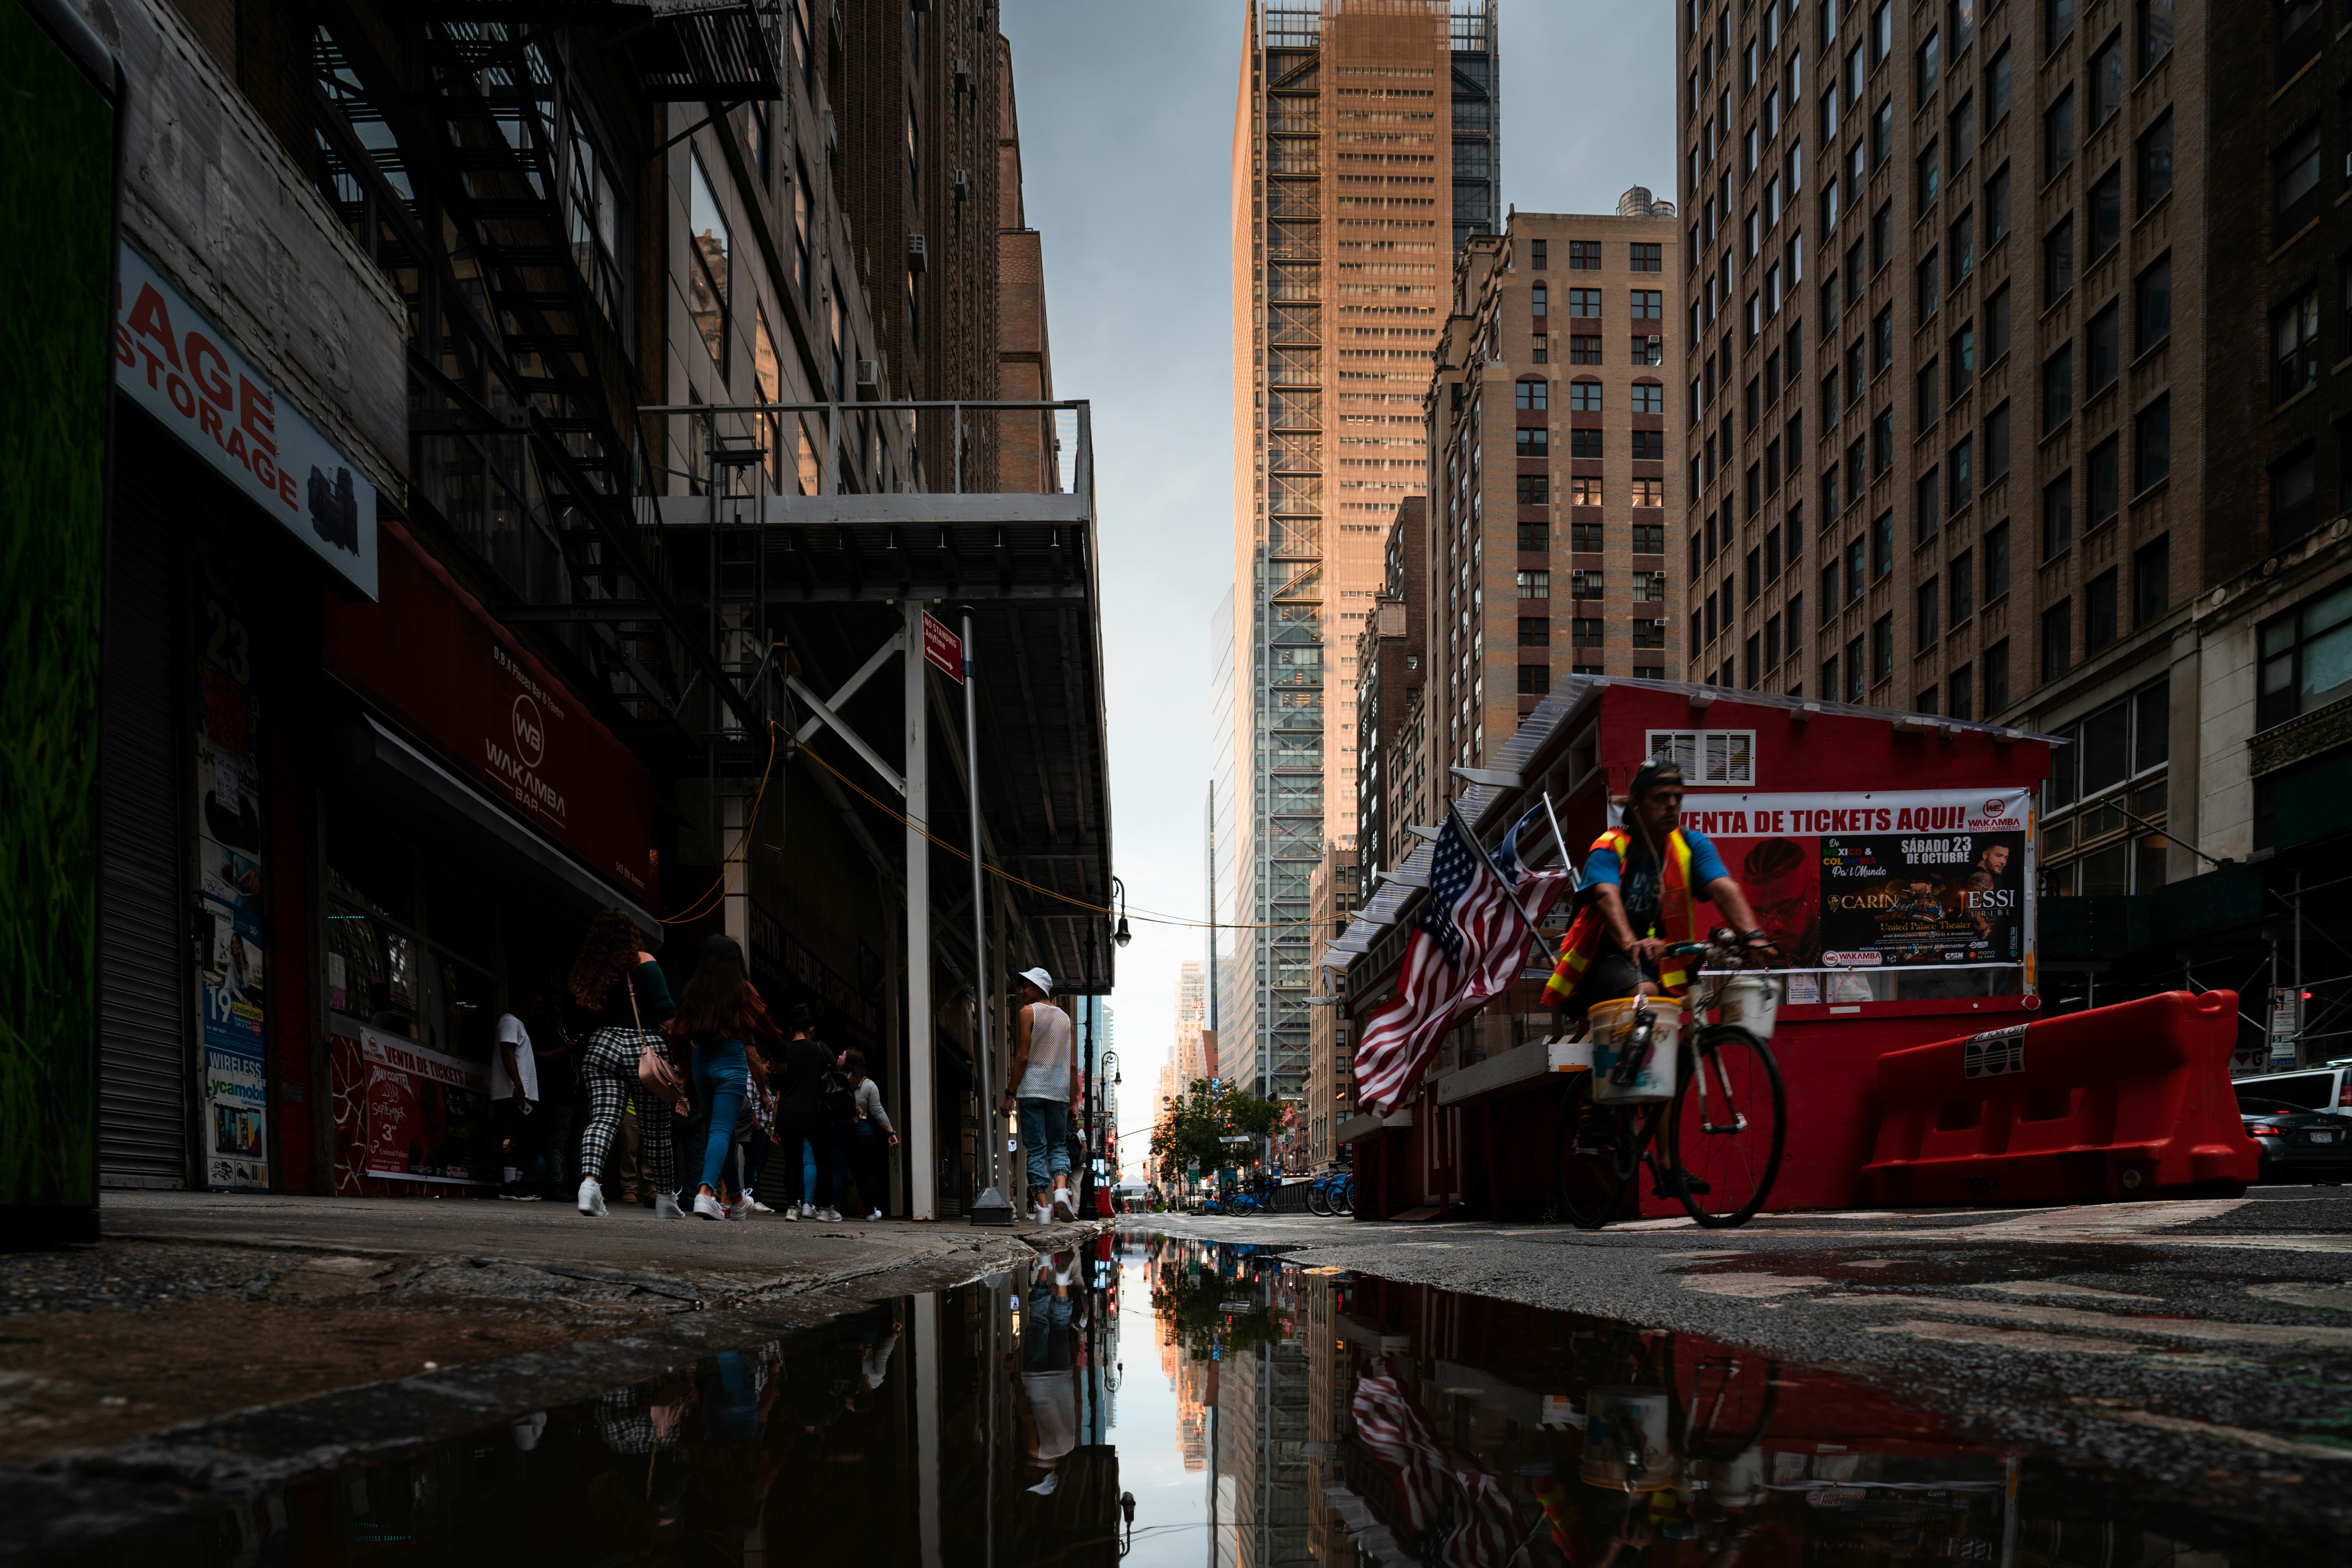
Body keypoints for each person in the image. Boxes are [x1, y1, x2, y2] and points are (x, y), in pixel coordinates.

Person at [1543, 756, 1780, 1020]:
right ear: (1636, 805)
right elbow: (1605, 895)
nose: (1672, 805)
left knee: (1698, 1024)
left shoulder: (1691, 845)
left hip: (1671, 965)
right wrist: (1631, 943)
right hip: (1613, 961)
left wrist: (1754, 936)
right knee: (1647, 994)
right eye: (1661, 798)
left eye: (1677, 798)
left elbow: (1724, 889)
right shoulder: (1610, 847)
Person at [570, 909, 686, 1219]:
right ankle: (664, 1198)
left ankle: (590, 1185)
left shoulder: (592, 969)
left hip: (602, 1046)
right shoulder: (645, 962)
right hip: (642, 1048)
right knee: (657, 1130)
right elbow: (668, 1016)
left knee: (603, 1119)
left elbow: (582, 1017)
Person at [670, 934, 760, 1222]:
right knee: (721, 1130)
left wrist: (679, 1063)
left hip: (700, 1064)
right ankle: (706, 1193)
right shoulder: (742, 990)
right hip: (730, 1062)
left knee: (723, 1130)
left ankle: (736, 1199)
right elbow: (766, 1026)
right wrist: (783, 1056)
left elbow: (678, 1032)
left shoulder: (693, 990)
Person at [1000, 967, 1081, 1223]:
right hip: (1058, 1093)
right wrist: (1073, 1101)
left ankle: (1044, 1210)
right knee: (1057, 1146)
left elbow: (1022, 1056)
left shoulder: (1028, 1012)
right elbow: (1071, 1066)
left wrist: (1009, 1094)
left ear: (1038, 988)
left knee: (1036, 1150)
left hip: (1032, 1090)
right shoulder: (1065, 1019)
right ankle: (1060, 1190)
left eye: (1026, 986)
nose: (1021, 991)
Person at [773, 1003, 838, 1222]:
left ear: (792, 1029)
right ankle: (825, 1209)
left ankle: (792, 1208)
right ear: (811, 1029)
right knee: (823, 1162)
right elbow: (835, 1079)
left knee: (792, 1162)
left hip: (788, 1112)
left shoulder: (785, 1050)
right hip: (816, 1114)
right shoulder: (821, 1049)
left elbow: (775, 1081)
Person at [831, 1047, 897, 1220]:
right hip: (862, 1131)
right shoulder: (869, 1085)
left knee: (838, 1172)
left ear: (849, 1061)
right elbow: (877, 1111)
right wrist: (891, 1132)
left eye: (842, 1054)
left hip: (838, 1130)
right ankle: (870, 1212)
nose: (839, 1056)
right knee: (865, 1174)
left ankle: (835, 1211)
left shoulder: (834, 1081)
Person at [490, 1007, 540, 1199]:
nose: (537, 1011)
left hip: (525, 1093)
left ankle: (517, 1183)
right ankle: (509, 1185)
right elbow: (507, 1053)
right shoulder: (510, 1021)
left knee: (525, 1140)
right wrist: (518, 1085)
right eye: (536, 1006)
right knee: (512, 1138)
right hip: (513, 1092)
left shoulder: (520, 1025)